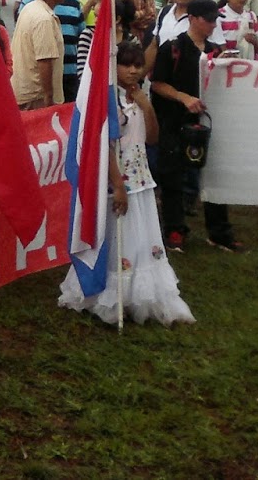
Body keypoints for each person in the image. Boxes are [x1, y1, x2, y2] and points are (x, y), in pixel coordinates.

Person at [58, 43, 195, 326]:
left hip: (141, 177)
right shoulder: (108, 100)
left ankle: (141, 295)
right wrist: (118, 184)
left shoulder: (138, 96)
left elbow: (152, 138)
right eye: (126, 65)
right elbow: (104, 145)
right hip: (118, 180)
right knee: (120, 238)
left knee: (142, 239)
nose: (133, 70)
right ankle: (111, 294)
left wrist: (146, 106)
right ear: (114, 66)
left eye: (138, 65)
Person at [150, 0, 239, 252]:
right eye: (208, 20)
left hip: (208, 122)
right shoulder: (172, 48)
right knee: (172, 178)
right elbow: (157, 83)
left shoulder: (216, 51)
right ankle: (175, 229)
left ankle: (219, 231)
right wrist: (183, 98)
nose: (212, 25)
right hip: (174, 121)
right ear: (192, 19)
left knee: (215, 174)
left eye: (214, 20)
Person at [11, 0, 66, 109]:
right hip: (36, 97)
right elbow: (44, 60)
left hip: (25, 91)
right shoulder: (44, 19)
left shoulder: (29, 8)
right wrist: (48, 96)